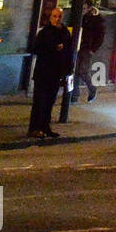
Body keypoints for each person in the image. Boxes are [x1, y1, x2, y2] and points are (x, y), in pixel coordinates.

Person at [29, 7, 73, 139]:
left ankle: (45, 127)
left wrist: (68, 70)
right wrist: (54, 48)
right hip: (43, 72)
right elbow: (36, 49)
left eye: (59, 16)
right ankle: (35, 128)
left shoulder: (64, 32)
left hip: (56, 73)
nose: (57, 19)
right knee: (39, 101)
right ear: (50, 17)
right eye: (54, 16)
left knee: (49, 102)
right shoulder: (45, 32)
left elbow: (69, 51)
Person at [72, 1, 106, 102]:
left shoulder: (96, 19)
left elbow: (100, 36)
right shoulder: (80, 18)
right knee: (75, 71)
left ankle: (92, 89)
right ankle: (74, 95)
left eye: (85, 8)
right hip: (78, 46)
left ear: (90, 8)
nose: (83, 10)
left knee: (82, 71)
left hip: (87, 48)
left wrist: (93, 49)